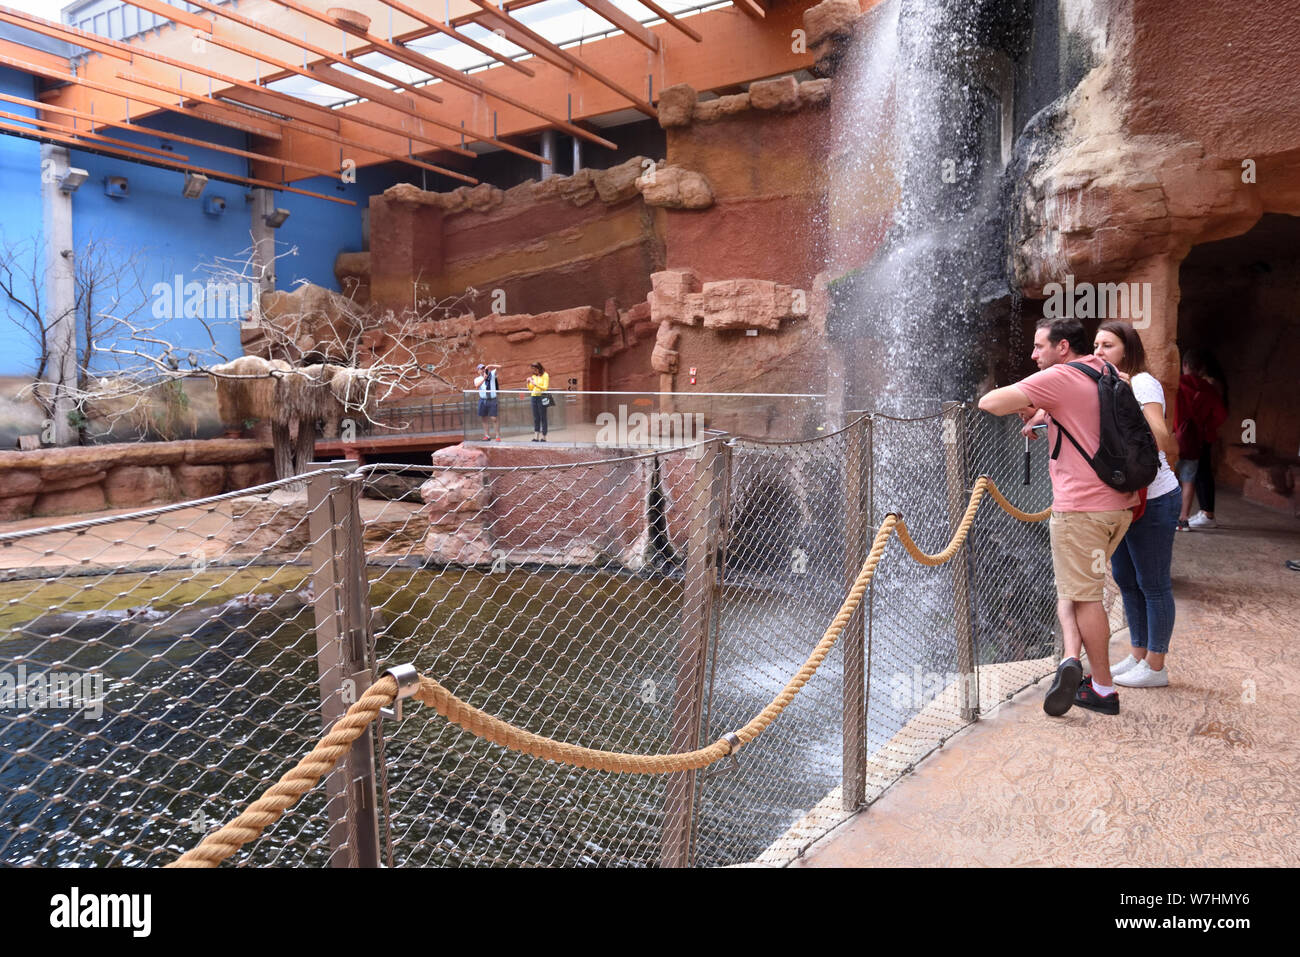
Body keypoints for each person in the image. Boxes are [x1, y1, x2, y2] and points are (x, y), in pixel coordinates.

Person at [979, 317, 1138, 716]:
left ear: (1063, 347)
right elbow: (1089, 420)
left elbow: (990, 403)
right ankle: (1070, 660)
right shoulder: (1107, 371)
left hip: (1082, 510)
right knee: (1074, 589)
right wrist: (1047, 414)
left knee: (1086, 598)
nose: (1034, 355)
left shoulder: (1061, 377)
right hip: (1119, 504)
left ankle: (1102, 689)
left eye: (1039, 347)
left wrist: (1033, 399)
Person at [1092, 321, 1179, 689]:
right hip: (1126, 500)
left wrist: (1128, 395)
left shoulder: (1142, 383)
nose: (1098, 352)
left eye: (1107, 345)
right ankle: (1138, 653)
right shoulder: (1103, 384)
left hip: (1155, 498)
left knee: (1153, 583)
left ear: (1126, 350)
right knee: (1127, 581)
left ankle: (1156, 666)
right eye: (1095, 345)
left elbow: (1162, 438)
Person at [1173, 350, 1227, 531]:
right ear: (1201, 368)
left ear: (1184, 365)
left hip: (1175, 438)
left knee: (1169, 478)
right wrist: (1205, 426)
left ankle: (1165, 516)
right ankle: (1183, 520)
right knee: (1189, 480)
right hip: (1196, 440)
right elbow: (1221, 415)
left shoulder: (1177, 384)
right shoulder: (1209, 388)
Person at [1191, 352, 1228, 528]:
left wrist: (1205, 425)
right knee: (1199, 472)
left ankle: (1208, 514)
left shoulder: (1210, 383)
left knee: (1203, 471)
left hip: (1204, 433)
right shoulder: (1208, 382)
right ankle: (1205, 511)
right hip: (1202, 432)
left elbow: (1216, 411)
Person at [474, 363, 501, 441]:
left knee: (494, 418)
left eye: (483, 368)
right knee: (484, 418)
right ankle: (487, 435)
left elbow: (500, 367)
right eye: (480, 369)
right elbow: (477, 386)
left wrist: (490, 366)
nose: (482, 370)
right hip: (483, 399)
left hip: (492, 399)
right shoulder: (477, 379)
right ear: (478, 371)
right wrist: (484, 379)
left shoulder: (491, 374)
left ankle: (497, 436)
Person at [525, 362, 549, 442]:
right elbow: (531, 389)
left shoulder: (545, 375)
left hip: (542, 397)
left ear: (539, 368)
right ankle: (536, 436)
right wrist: (528, 383)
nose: (534, 371)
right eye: (533, 370)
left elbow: (545, 388)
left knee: (543, 417)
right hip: (534, 396)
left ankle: (544, 436)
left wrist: (536, 384)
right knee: (536, 417)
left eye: (535, 369)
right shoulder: (534, 376)